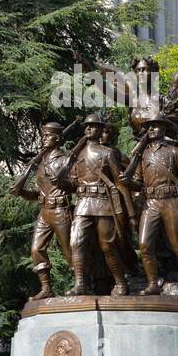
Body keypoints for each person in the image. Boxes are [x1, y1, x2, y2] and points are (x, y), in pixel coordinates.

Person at [125, 117, 178, 296]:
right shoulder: (142, 153)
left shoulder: (174, 152)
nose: (151, 129)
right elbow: (138, 182)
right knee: (145, 244)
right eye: (148, 127)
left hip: (171, 202)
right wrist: (127, 182)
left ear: (163, 128)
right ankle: (153, 283)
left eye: (155, 125)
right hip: (151, 203)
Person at [68, 114, 132, 296]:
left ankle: (120, 283)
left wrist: (129, 213)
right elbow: (73, 183)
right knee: (76, 242)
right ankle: (80, 284)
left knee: (108, 246)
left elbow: (119, 183)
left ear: (100, 129)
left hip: (104, 204)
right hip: (82, 204)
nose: (88, 129)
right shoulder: (77, 155)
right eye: (87, 126)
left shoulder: (108, 153)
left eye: (93, 126)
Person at [11, 121, 74, 299]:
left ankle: (82, 284)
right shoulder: (41, 162)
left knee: (69, 251)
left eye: (48, 135)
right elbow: (38, 193)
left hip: (61, 209)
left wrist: (62, 182)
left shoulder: (66, 160)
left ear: (58, 138)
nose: (44, 139)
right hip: (44, 212)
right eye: (43, 135)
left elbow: (77, 185)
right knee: (36, 249)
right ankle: (46, 288)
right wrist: (22, 191)